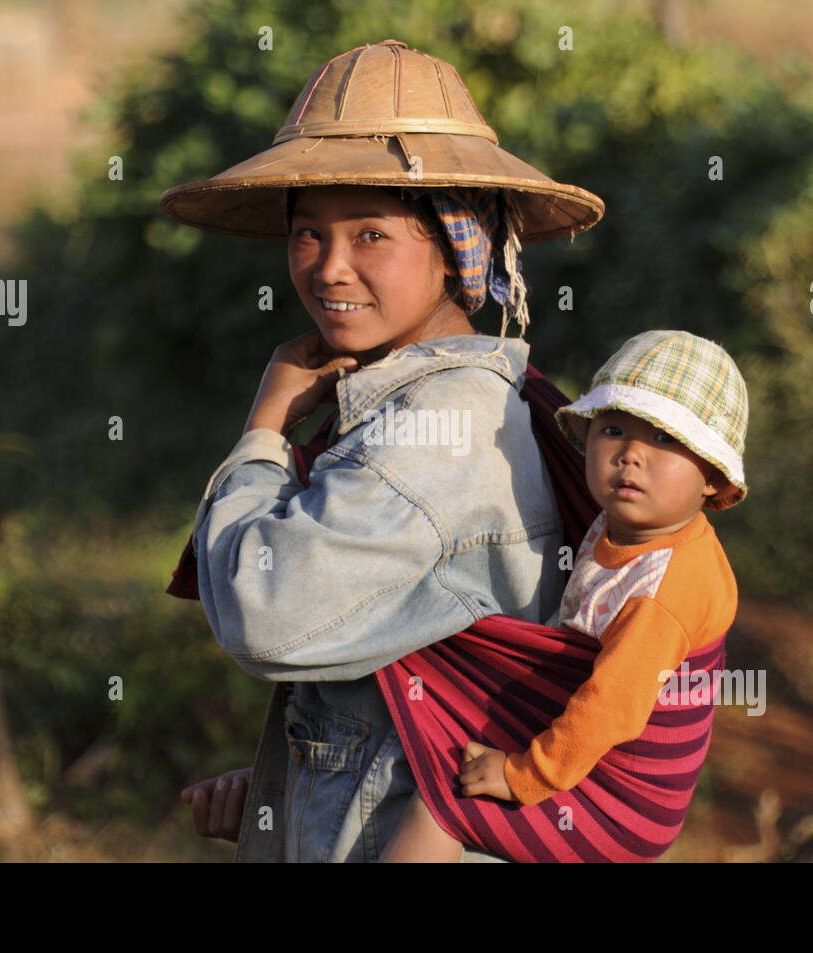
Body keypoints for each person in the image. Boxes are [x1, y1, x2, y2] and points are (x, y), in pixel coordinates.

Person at [162, 39, 604, 862]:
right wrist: (278, 786)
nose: (330, 269)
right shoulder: (427, 400)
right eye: (307, 235)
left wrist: (264, 427)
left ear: (456, 248)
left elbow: (267, 615)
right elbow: (389, 674)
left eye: (371, 233)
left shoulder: (437, 428)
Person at [377, 329, 748, 861]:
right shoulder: (627, 524)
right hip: (587, 757)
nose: (631, 456)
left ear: (713, 476)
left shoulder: (664, 590)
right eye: (614, 429)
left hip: (621, 805)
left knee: (441, 804)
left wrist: (523, 776)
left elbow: (614, 708)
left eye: (665, 440)